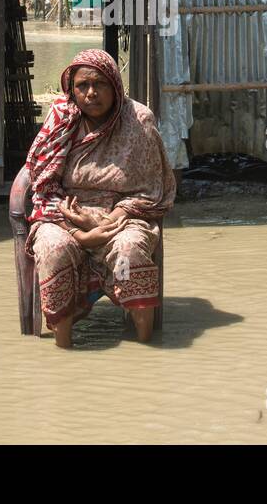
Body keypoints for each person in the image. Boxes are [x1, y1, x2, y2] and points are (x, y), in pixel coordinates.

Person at [24, 48, 175, 348]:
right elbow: (42, 186)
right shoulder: (61, 121)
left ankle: (146, 349)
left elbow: (152, 189)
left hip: (123, 215)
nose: (91, 93)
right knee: (54, 248)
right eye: (83, 86)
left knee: (129, 250)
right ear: (72, 89)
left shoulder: (138, 120)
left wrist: (110, 220)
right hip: (63, 215)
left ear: (115, 85)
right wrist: (79, 230)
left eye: (100, 84)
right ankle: (63, 347)